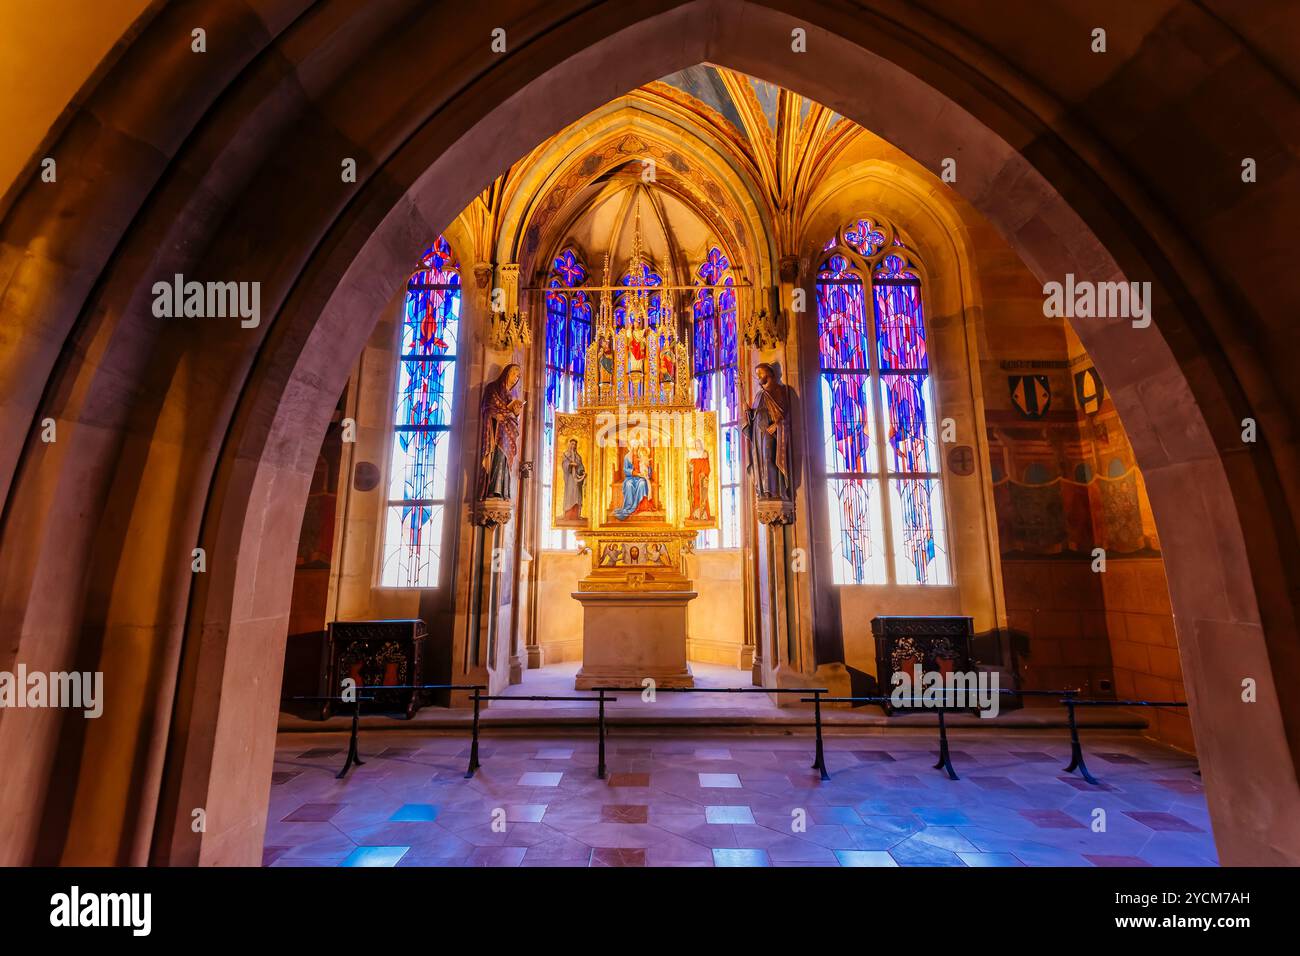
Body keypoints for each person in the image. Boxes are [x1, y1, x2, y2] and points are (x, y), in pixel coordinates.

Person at [743, 362, 792, 501]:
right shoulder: (759, 395)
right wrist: (748, 412)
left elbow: (783, 412)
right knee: (759, 462)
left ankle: (774, 491)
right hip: (758, 433)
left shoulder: (778, 391)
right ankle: (763, 491)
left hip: (769, 432)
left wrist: (777, 425)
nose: (758, 377)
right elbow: (755, 415)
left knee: (768, 458)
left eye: (760, 374)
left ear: (769, 374)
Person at [478, 364, 524, 499]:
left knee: (505, 460)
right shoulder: (492, 388)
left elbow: (514, 418)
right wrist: (495, 414)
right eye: (514, 374)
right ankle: (493, 489)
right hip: (496, 430)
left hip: (508, 432)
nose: (516, 378)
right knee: (497, 457)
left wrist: (516, 414)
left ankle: (503, 490)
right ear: (506, 373)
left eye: (518, 376)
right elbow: (486, 407)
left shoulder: (512, 395)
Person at [613, 441, 651, 519]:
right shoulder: (627, 457)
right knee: (628, 485)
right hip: (630, 477)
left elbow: (647, 466)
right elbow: (625, 470)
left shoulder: (641, 455)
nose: (636, 449)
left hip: (641, 477)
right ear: (631, 447)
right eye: (634, 447)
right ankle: (628, 506)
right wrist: (634, 473)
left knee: (642, 484)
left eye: (637, 447)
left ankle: (636, 506)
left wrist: (646, 471)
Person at [560, 438, 586, 520]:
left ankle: (577, 515)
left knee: (577, 496)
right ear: (569, 444)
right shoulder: (566, 455)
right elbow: (564, 465)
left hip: (577, 481)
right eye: (572, 444)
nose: (573, 446)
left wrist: (582, 472)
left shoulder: (578, 457)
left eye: (575, 444)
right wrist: (570, 464)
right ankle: (567, 515)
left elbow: (581, 467)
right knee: (570, 495)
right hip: (570, 479)